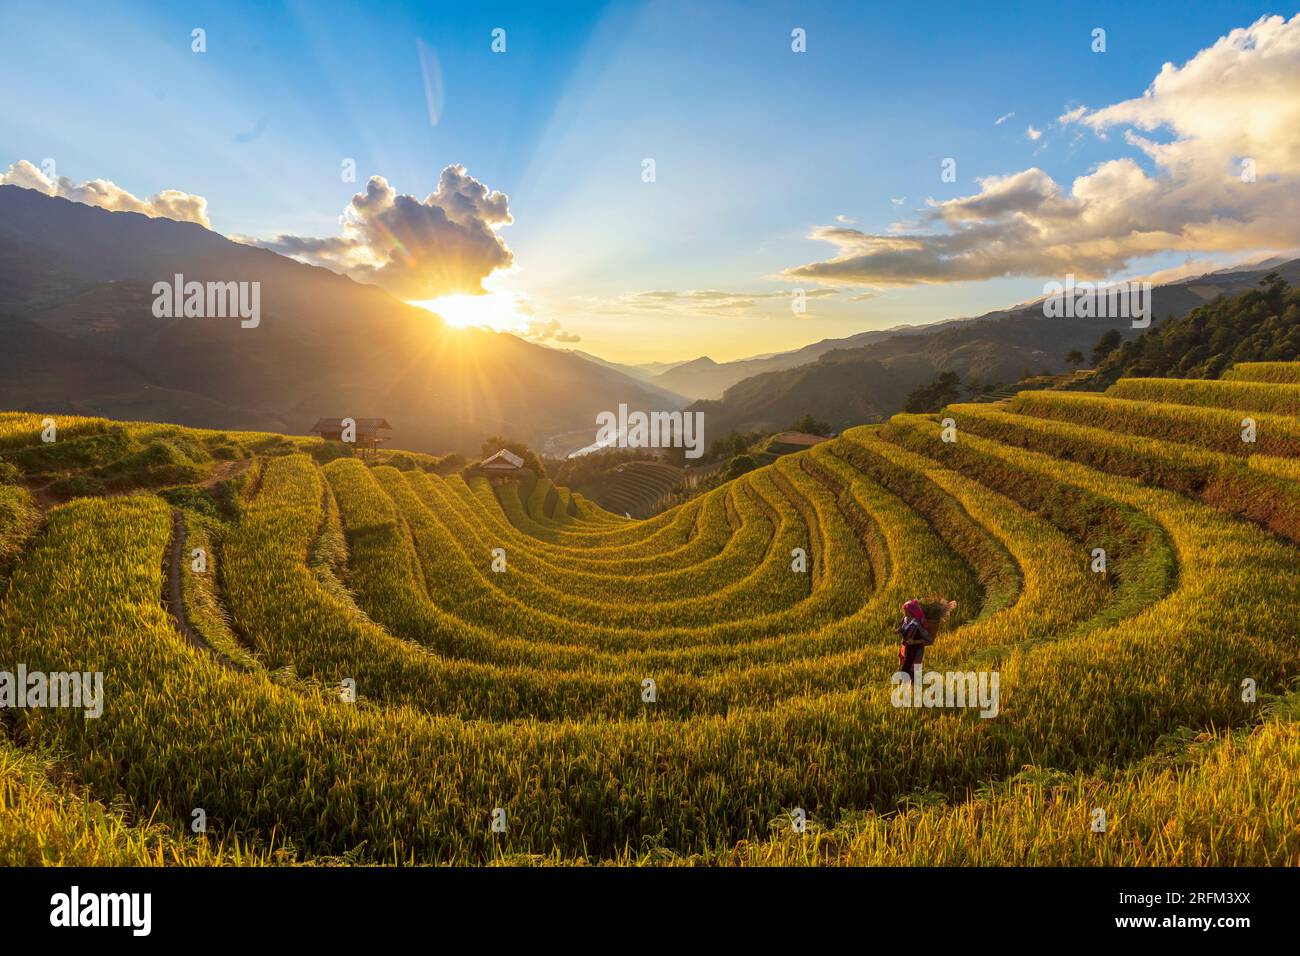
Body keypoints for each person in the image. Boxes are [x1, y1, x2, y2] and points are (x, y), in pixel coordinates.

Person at [896, 599, 930, 681]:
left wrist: (914, 641)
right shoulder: (905, 619)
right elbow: (904, 628)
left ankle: (913, 689)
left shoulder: (918, 624)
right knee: (904, 668)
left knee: (913, 672)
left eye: (905, 610)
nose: (904, 612)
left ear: (910, 611)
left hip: (916, 650)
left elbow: (928, 639)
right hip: (906, 648)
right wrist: (899, 630)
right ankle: (909, 689)